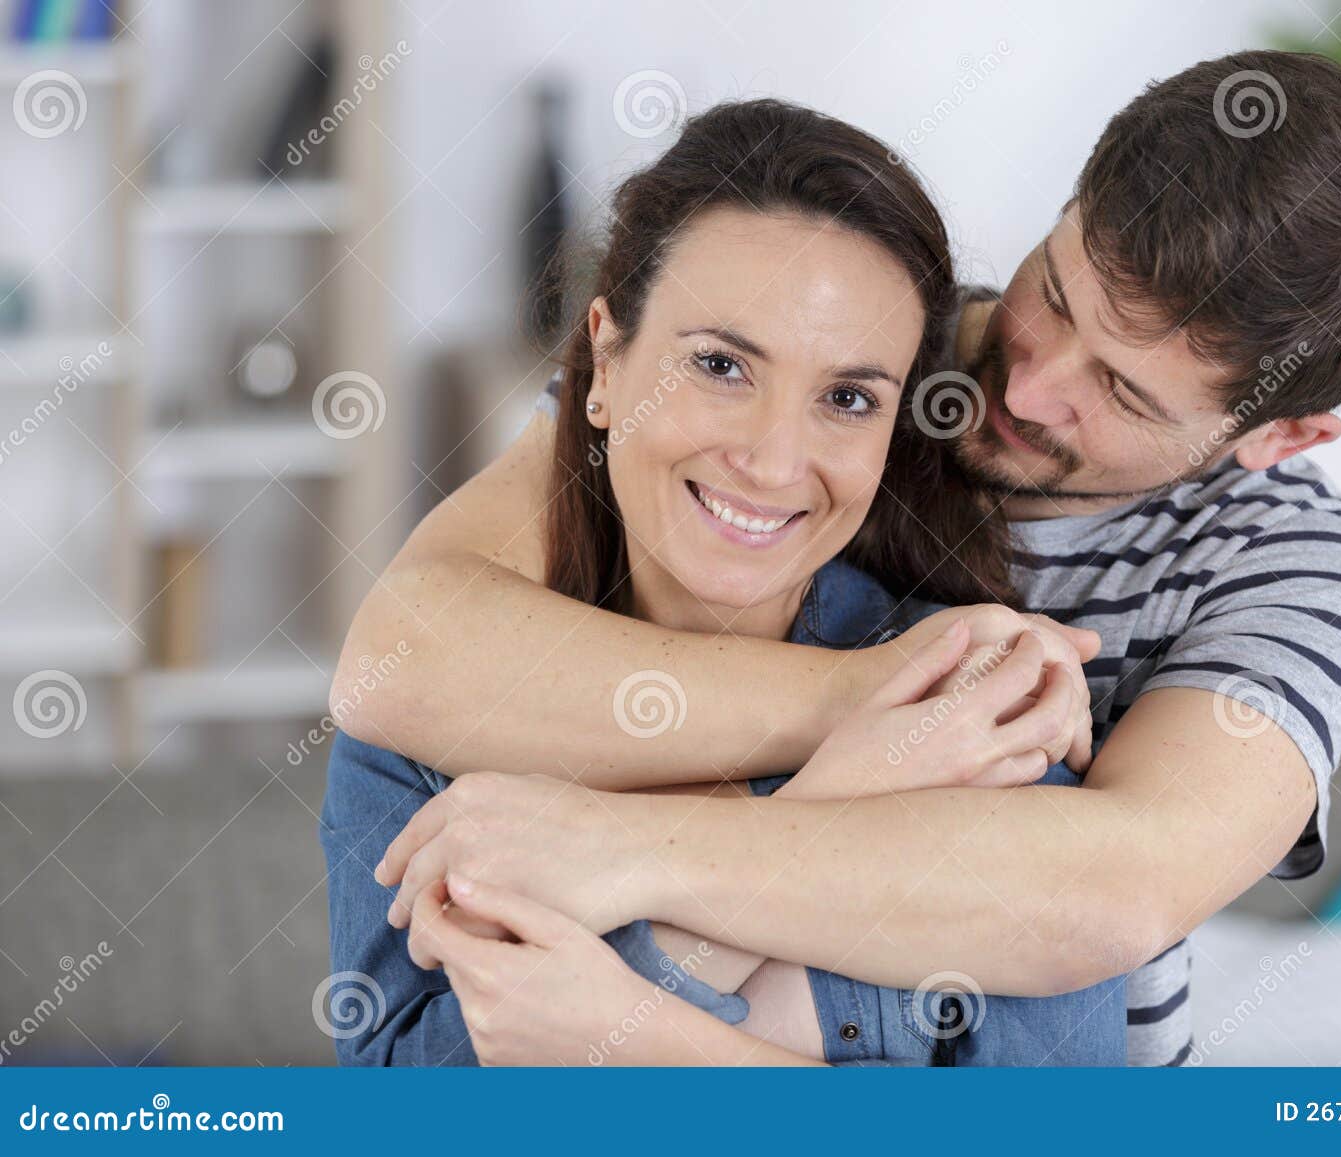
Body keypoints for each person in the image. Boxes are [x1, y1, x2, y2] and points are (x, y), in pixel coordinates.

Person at [348, 50, 1341, 1066]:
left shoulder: (1302, 577)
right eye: (1055, 293)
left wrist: (626, 851)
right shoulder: (846, 329)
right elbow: (404, 656)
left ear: (1278, 434)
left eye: (1120, 390)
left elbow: (1104, 897)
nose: (1024, 385)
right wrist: (878, 703)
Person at [321, 97, 1126, 1066]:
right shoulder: (450, 709)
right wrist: (831, 793)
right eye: (720, 364)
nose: (776, 459)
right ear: (606, 364)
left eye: (846, 397)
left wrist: (635, 1029)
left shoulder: (982, 717)